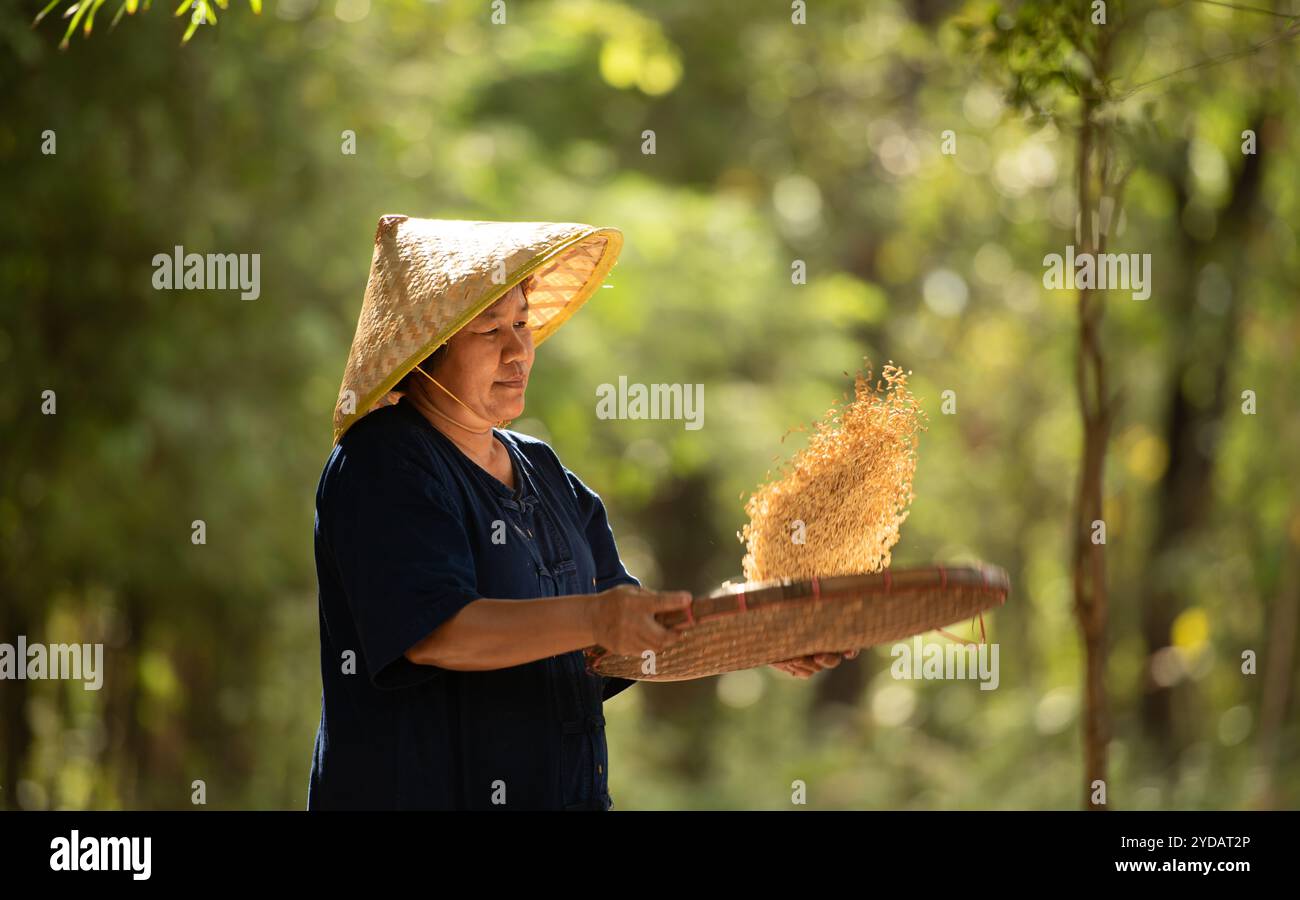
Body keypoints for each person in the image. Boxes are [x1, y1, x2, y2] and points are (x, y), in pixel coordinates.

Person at [308, 216, 853, 810]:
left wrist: (761, 637)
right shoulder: (384, 461)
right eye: (490, 330)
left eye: (521, 323)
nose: (519, 351)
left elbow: (628, 634)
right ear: (422, 353)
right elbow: (437, 632)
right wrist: (596, 616)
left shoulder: (543, 472)